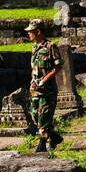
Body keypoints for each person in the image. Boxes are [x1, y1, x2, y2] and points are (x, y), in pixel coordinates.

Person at [25, 19, 63, 152]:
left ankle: (42, 145)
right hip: (35, 89)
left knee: (43, 118)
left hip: (48, 90)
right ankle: (54, 136)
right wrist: (33, 81)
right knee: (35, 115)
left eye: (31, 32)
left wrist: (45, 79)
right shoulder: (35, 47)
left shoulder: (50, 46)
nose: (29, 34)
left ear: (38, 32)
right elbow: (34, 67)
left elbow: (58, 67)